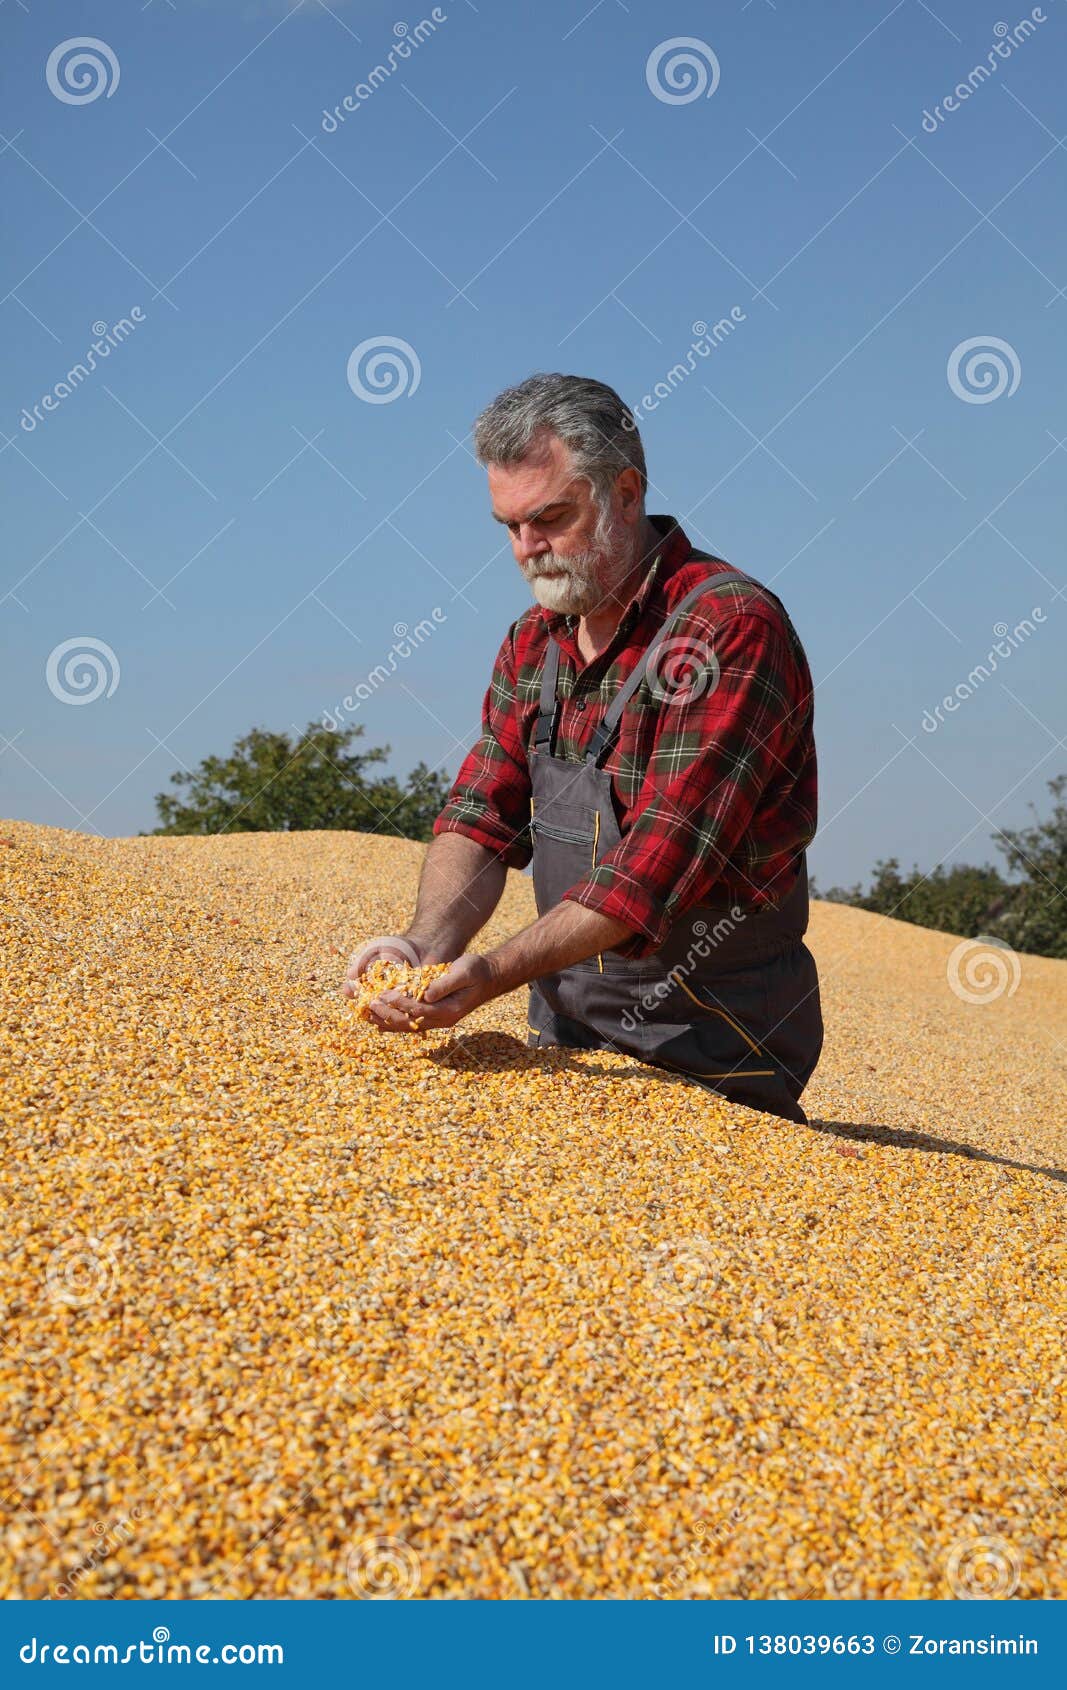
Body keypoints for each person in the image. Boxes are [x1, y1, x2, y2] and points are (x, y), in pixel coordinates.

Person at [342, 372, 823, 1124]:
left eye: (551, 518)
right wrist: (424, 944)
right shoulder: (532, 644)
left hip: (716, 1054)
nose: (525, 550)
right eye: (508, 527)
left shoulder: (726, 629)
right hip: (566, 1047)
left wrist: (491, 973)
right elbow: (480, 816)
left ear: (624, 493)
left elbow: (651, 872)